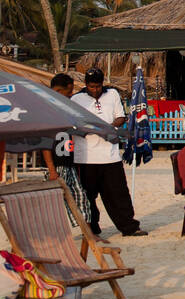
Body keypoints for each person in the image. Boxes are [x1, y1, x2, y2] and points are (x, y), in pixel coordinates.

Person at [72, 68, 146, 238]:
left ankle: (129, 226)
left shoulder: (112, 94)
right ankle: (91, 229)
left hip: (110, 155)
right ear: (85, 85)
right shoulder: (77, 99)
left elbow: (121, 116)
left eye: (98, 86)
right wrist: (90, 129)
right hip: (85, 156)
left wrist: (110, 128)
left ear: (102, 83)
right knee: (87, 196)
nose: (95, 90)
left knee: (118, 193)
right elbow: (74, 123)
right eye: (91, 87)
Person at [39, 73, 95, 233]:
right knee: (56, 203)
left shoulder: (65, 109)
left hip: (68, 161)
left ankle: (88, 233)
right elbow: (44, 141)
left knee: (80, 196)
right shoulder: (46, 110)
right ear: (58, 90)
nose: (71, 95)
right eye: (69, 91)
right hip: (55, 164)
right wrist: (51, 169)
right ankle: (50, 235)